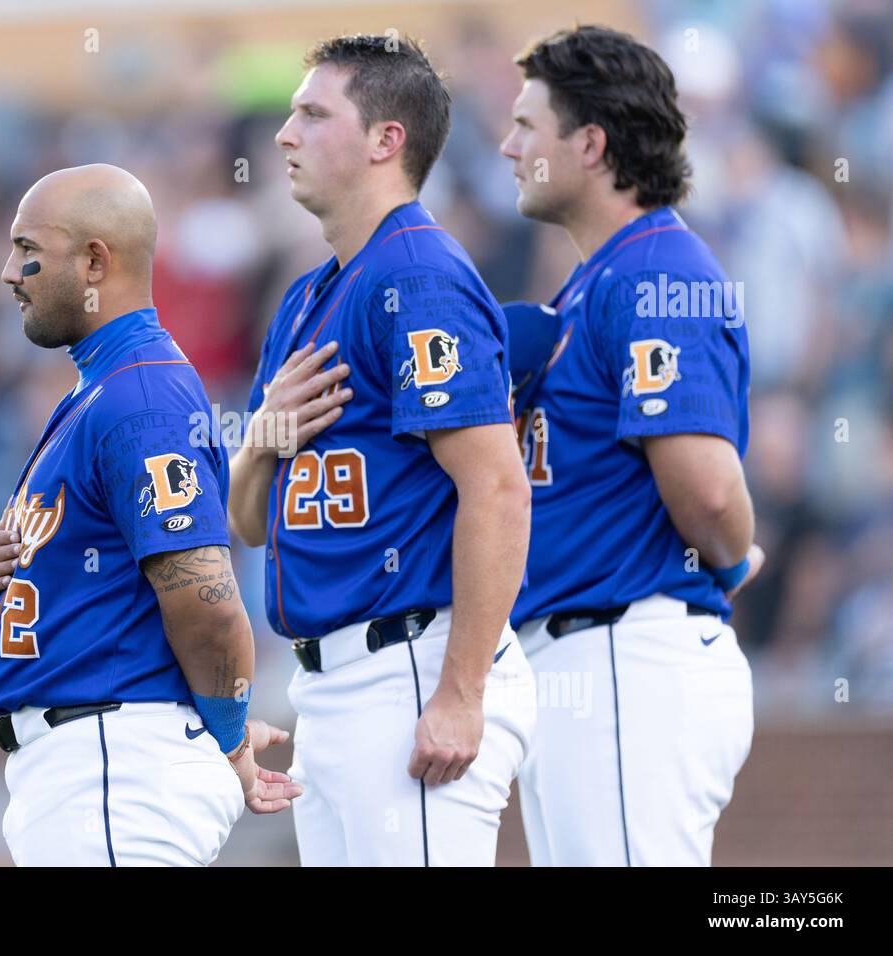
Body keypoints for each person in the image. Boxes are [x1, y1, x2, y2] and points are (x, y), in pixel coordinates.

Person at [229, 34, 536, 866]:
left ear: (384, 139)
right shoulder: (306, 295)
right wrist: (259, 440)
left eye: (312, 114)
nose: (285, 135)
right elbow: (249, 521)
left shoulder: (419, 274)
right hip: (330, 687)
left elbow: (499, 488)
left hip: (412, 662)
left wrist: (461, 692)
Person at [0, 164, 299, 866]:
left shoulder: (140, 395)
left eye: (28, 249)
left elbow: (207, 601)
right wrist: (16, 567)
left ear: (94, 261)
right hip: (94, 770)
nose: (8, 272)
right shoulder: (103, 387)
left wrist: (230, 734)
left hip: (113, 768)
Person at [498, 24, 763, 866]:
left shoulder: (656, 273)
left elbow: (711, 494)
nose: (508, 146)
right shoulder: (602, 276)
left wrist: (728, 558)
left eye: (527, 127)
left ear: (591, 143)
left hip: (624, 655)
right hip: (590, 660)